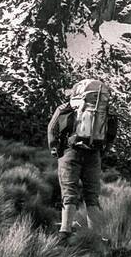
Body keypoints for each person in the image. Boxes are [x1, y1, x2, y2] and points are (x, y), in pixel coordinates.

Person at [47, 78, 119, 235]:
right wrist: (102, 152)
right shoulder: (106, 111)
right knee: (92, 196)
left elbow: (52, 128)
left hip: (70, 151)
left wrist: (56, 150)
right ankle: (96, 235)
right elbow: (112, 135)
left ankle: (65, 230)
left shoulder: (67, 107)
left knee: (69, 192)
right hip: (94, 154)